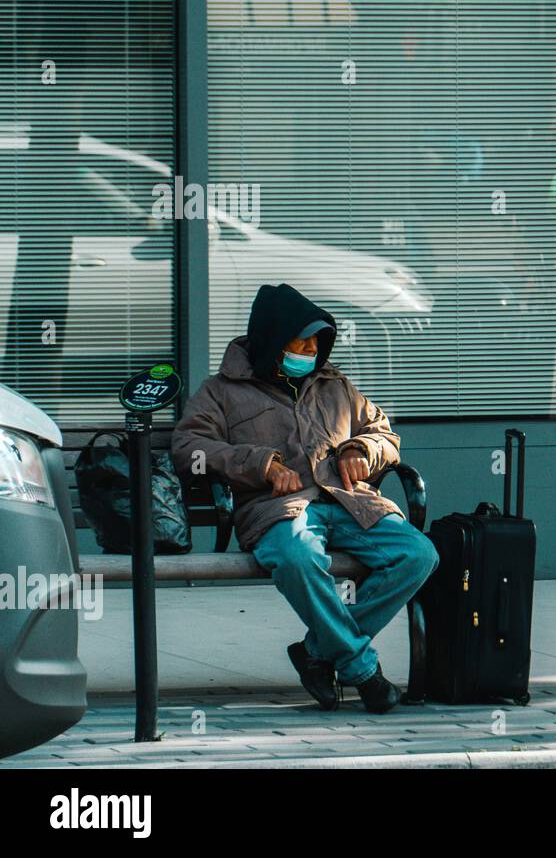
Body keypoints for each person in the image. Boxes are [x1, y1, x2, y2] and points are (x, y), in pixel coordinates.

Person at [172, 284, 438, 713]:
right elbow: (190, 450)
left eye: (317, 342)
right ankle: (361, 669)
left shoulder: (336, 386)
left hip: (351, 503)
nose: (311, 351)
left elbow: (384, 434)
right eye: (302, 342)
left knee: (418, 554)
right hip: (279, 509)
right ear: (273, 341)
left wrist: (361, 450)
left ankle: (318, 651)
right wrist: (260, 464)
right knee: (298, 556)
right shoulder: (221, 391)